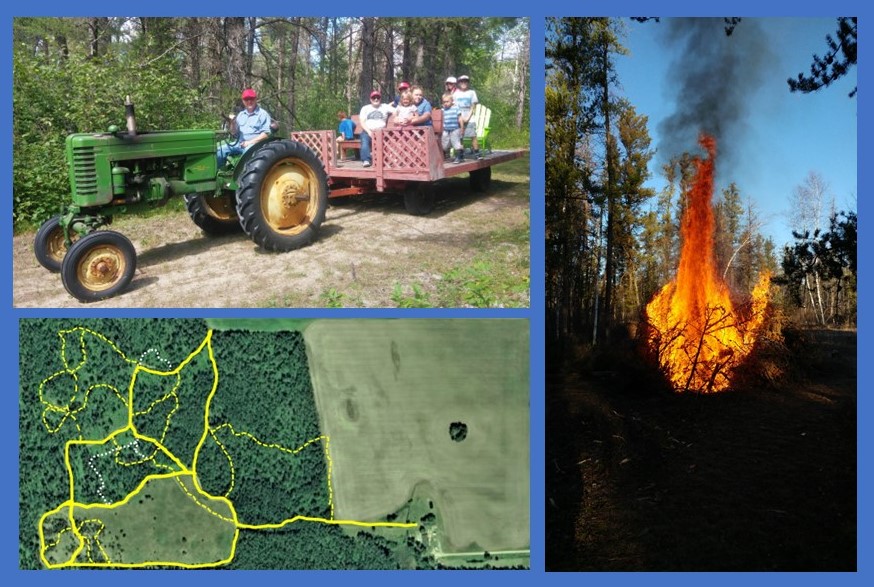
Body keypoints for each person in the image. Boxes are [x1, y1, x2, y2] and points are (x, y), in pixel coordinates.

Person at [216, 88, 272, 168]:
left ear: (255, 99)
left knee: (246, 154)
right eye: (246, 99)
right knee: (220, 150)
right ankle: (221, 172)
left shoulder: (262, 114)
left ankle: (243, 177)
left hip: (255, 145)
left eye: (251, 99)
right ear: (243, 101)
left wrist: (249, 142)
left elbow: (266, 134)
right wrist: (232, 123)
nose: (249, 101)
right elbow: (234, 133)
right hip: (239, 143)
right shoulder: (241, 115)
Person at [358, 90, 394, 168]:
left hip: (382, 132)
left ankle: (388, 160)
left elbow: (396, 111)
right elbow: (362, 122)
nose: (376, 99)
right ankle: (366, 160)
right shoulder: (365, 108)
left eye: (378, 97)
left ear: (380, 98)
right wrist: (369, 132)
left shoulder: (385, 106)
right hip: (367, 131)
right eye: (373, 98)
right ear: (370, 99)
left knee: (390, 141)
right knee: (364, 141)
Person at [453, 74, 482, 159]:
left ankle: (477, 153)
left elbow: (473, 106)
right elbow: (454, 106)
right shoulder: (455, 94)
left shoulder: (472, 92)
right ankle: (460, 153)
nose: (464, 83)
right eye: (462, 81)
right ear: (459, 83)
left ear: (468, 83)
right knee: (460, 136)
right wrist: (460, 118)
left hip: (470, 117)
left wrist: (468, 117)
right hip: (459, 117)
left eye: (465, 81)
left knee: (473, 135)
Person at [440, 93, 464, 164]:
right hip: (445, 129)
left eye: (447, 101)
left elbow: (460, 119)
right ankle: (444, 155)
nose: (446, 103)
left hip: (455, 129)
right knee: (444, 144)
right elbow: (441, 120)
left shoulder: (456, 108)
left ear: (452, 101)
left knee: (456, 143)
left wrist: (462, 127)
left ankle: (459, 157)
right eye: (444, 102)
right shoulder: (443, 110)